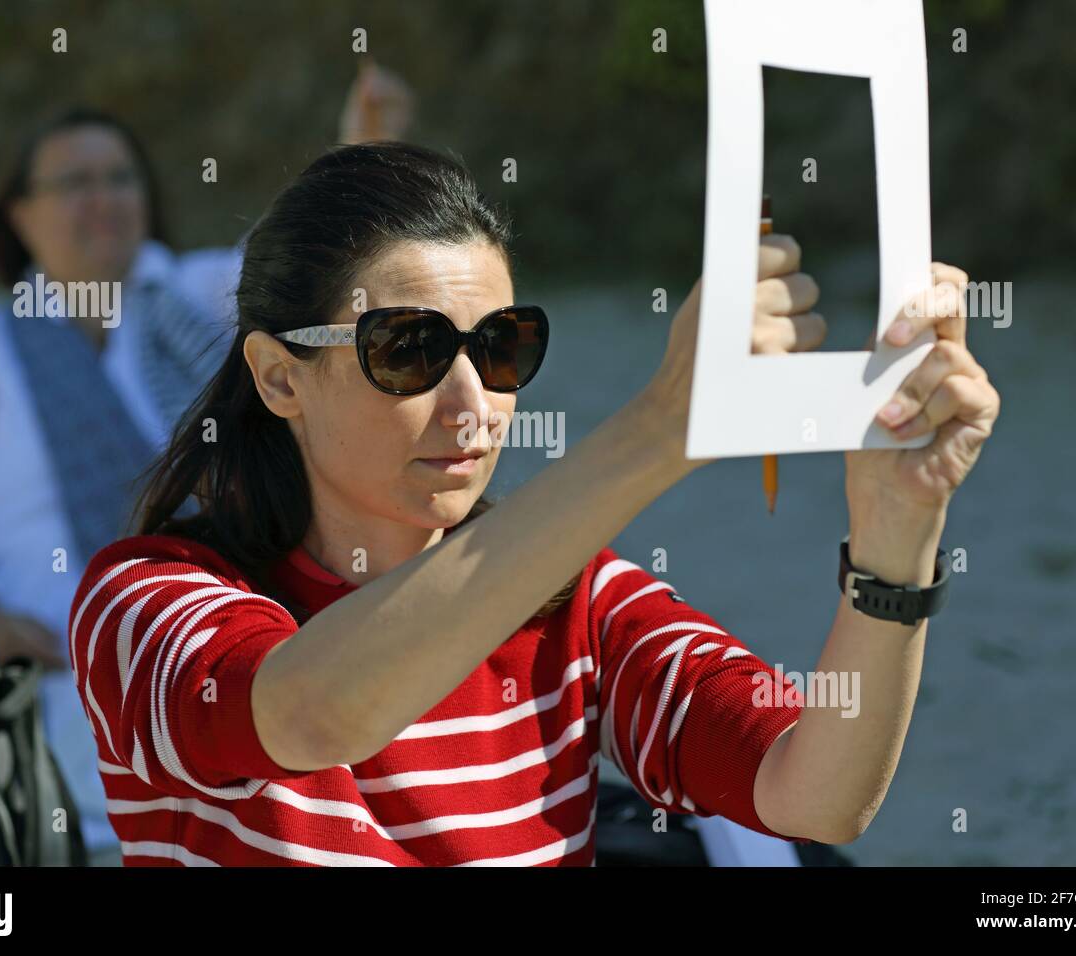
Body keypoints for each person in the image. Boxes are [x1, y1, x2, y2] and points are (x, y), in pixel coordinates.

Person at [68, 140, 999, 866]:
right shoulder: (148, 599)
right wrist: (659, 431)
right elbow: (313, 714)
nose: (473, 404)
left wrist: (896, 534)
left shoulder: (577, 599)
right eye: (409, 350)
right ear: (278, 379)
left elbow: (814, 793)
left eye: (502, 347)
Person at [0, 68, 414, 865]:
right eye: (75, 182)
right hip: (38, 664)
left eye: (119, 177)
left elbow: (310, 257)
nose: (103, 197)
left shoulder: (198, 297)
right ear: (21, 215)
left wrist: (364, 141)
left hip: (195, 647)